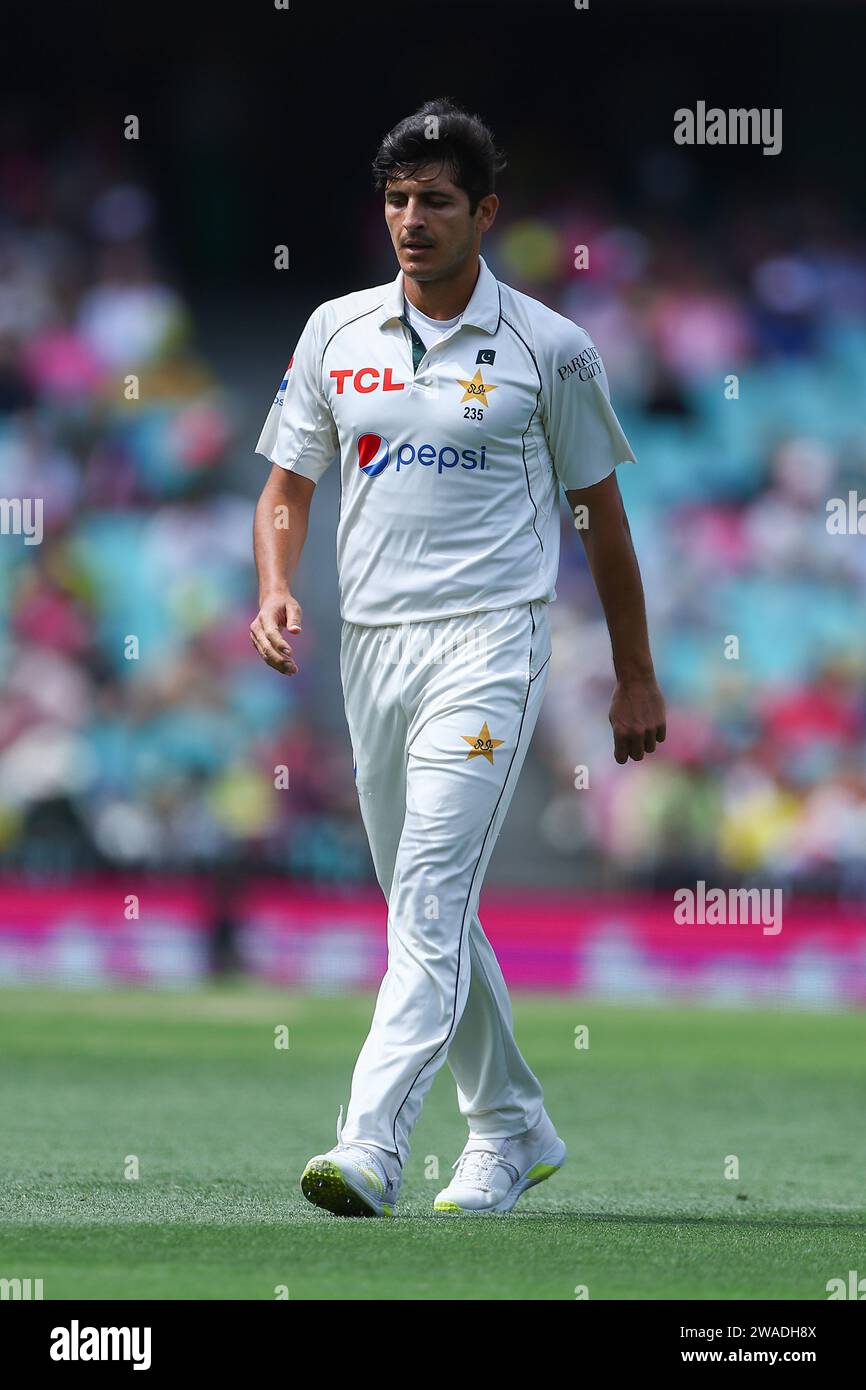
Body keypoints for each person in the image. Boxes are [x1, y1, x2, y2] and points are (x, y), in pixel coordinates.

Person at [251, 98, 666, 1217]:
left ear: (483, 213)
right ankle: (514, 1125)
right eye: (394, 198)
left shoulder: (550, 347)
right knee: (421, 909)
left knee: (428, 895)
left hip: (493, 641)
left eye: (434, 199)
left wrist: (633, 673)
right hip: (371, 650)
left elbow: (603, 521)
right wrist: (277, 585)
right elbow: (285, 489)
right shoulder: (335, 331)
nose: (410, 218)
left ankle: (371, 1147)